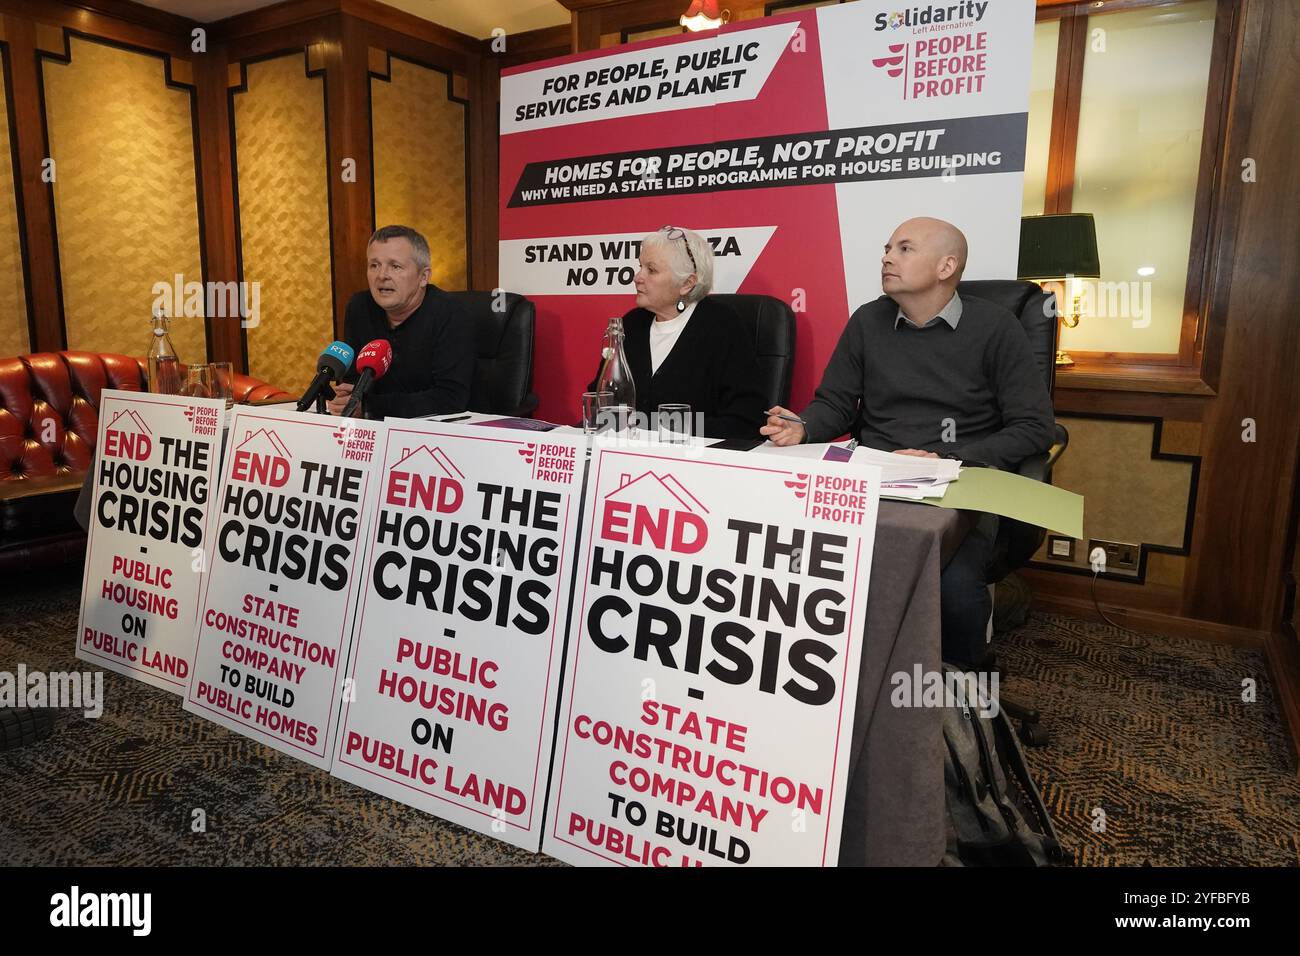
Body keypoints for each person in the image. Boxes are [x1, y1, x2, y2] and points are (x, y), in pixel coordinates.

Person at [761, 217, 1055, 665]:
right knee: (801, 562)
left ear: (946, 266)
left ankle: (960, 705)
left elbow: (1035, 427)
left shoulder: (996, 327)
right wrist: (804, 426)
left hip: (962, 481)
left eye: (904, 249)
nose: (886, 257)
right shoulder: (868, 320)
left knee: (951, 589)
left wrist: (945, 455)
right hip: (876, 476)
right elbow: (836, 403)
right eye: (887, 248)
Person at [588, 225, 767, 440]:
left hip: (697, 463)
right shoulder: (631, 324)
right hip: (624, 457)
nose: (637, 277)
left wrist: (656, 431)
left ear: (686, 284)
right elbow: (601, 401)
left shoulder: (723, 326)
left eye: (651, 270)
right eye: (640, 266)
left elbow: (747, 420)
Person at [328, 225, 475, 419]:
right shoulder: (359, 308)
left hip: (441, 433)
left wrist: (370, 407)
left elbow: (450, 398)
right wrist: (346, 399)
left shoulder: (450, 313)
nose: (382, 275)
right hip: (374, 431)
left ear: (423, 277)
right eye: (374, 265)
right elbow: (354, 383)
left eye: (395, 266)